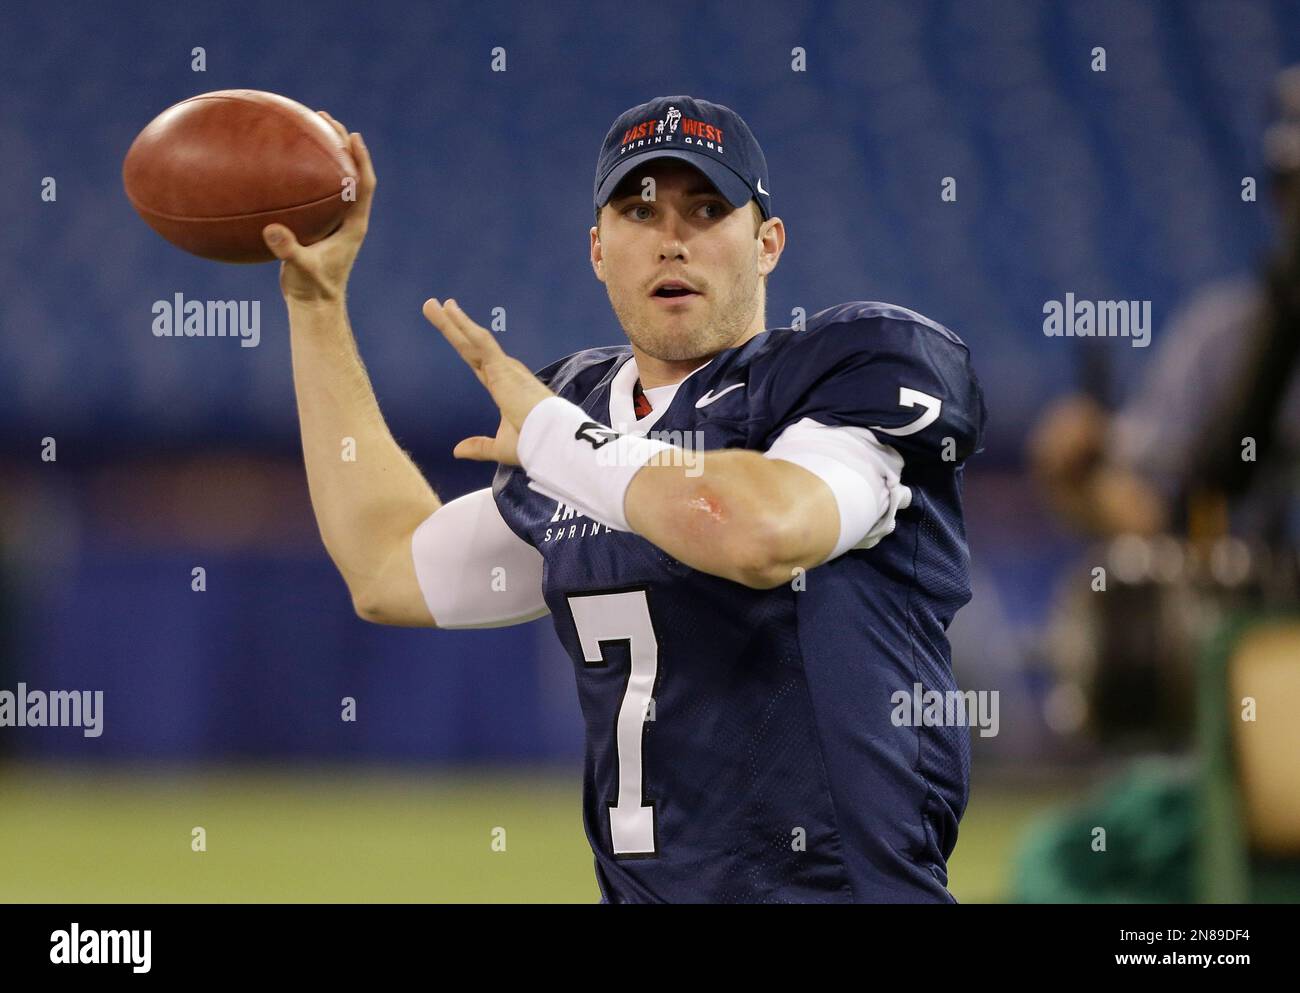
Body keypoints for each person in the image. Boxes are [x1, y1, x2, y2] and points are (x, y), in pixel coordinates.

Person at [262, 95, 987, 903]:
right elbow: (387, 567)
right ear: (599, 250)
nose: (672, 238)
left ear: (767, 242)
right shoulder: (576, 416)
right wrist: (316, 309)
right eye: (639, 210)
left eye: (709, 207)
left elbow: (761, 531)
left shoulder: (847, 369)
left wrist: (552, 438)